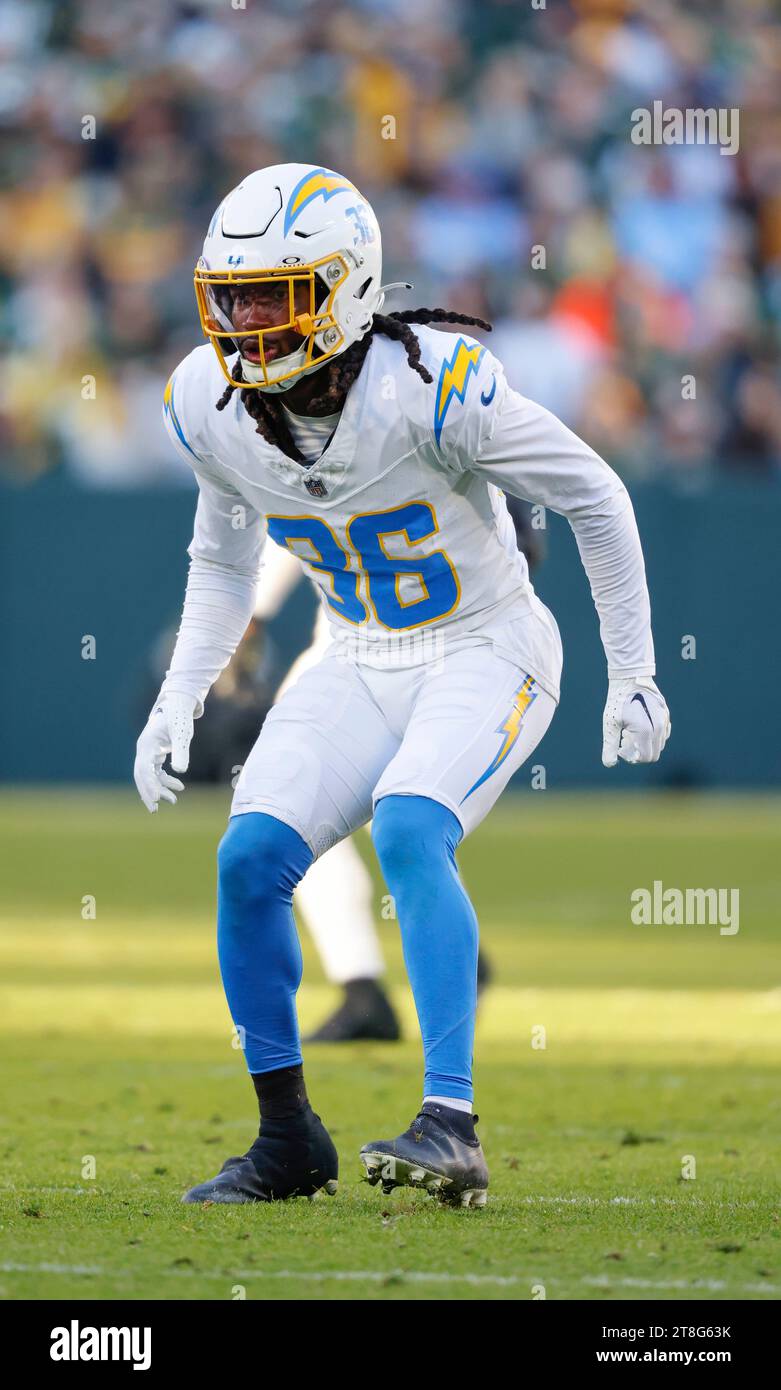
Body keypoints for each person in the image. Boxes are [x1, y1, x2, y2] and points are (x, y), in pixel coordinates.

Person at [134, 163, 670, 1208]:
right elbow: (224, 559)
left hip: (485, 642)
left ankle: (451, 1122)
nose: (243, 323)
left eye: (272, 294)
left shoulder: (433, 382)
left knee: (411, 827)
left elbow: (595, 497)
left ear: (342, 288)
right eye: (230, 297)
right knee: (246, 861)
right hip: (352, 652)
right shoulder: (207, 399)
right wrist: (179, 692)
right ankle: (287, 1138)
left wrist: (635, 671)